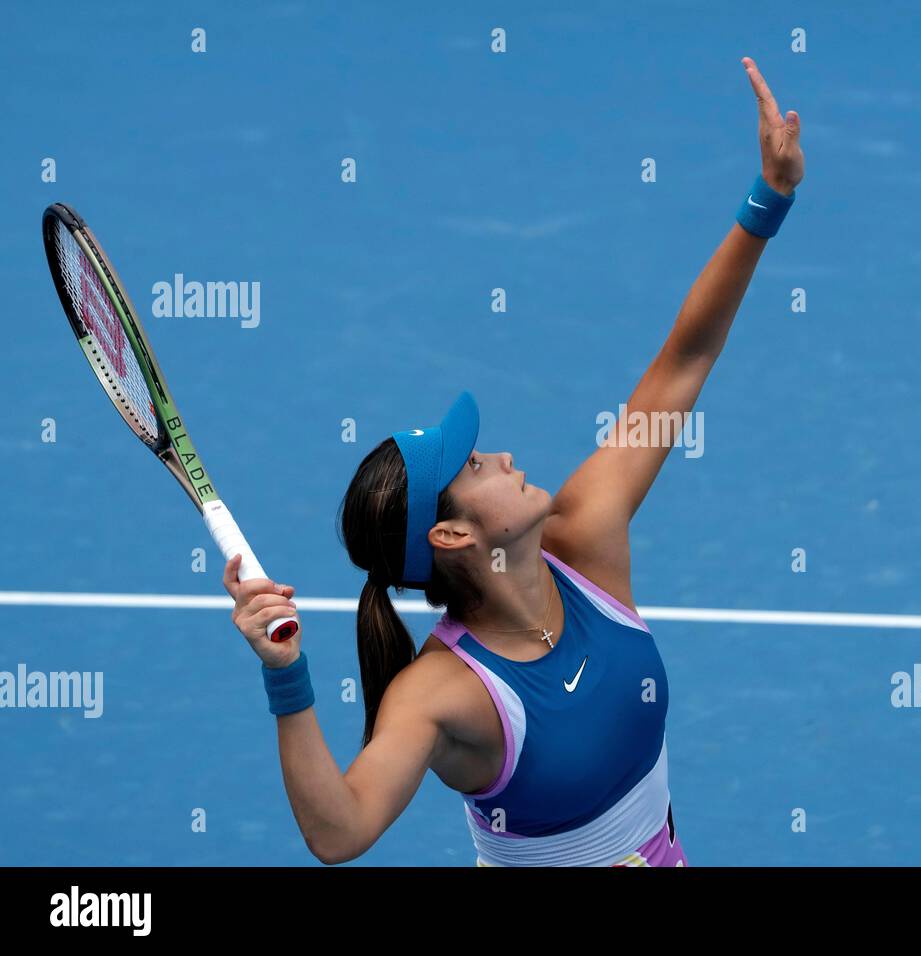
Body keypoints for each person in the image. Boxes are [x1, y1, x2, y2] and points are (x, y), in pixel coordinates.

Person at [224, 56, 803, 866]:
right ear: (454, 537)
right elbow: (339, 831)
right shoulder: (444, 693)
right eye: (472, 468)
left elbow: (681, 362)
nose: (498, 454)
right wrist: (286, 675)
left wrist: (768, 197)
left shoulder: (586, 540)